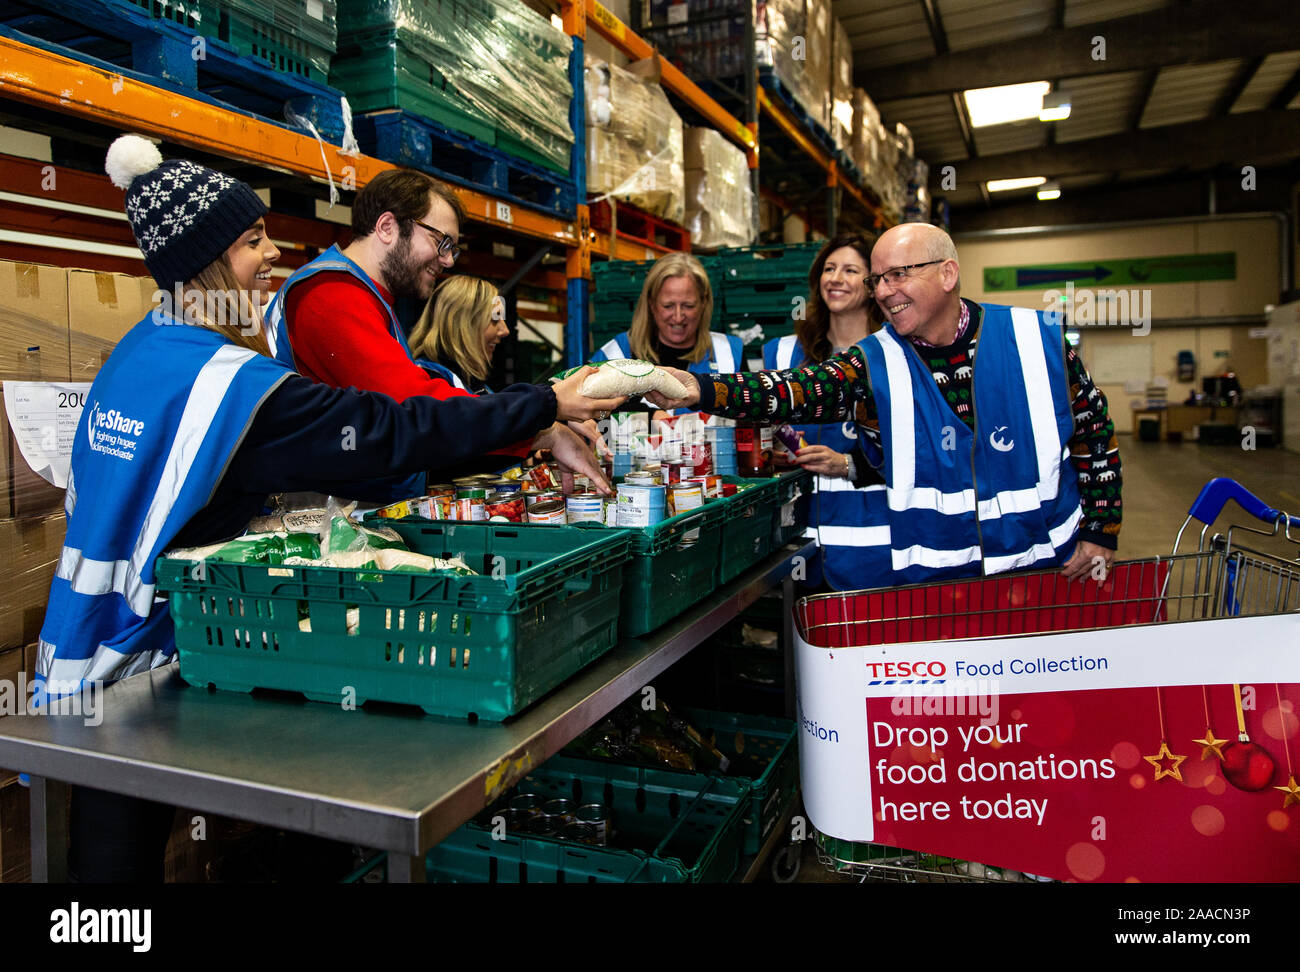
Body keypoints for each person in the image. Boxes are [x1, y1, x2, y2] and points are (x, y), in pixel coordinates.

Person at [35, 135, 624, 882]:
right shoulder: (223, 385)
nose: (275, 254)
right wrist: (542, 405)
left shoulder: (143, 353)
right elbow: (384, 431)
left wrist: (529, 430)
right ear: (204, 262)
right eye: (254, 242)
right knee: (115, 874)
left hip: (92, 646)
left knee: (112, 862)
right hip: (129, 664)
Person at [649, 222, 1121, 584]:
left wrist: (1101, 532)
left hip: (1048, 570)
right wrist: (700, 389)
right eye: (878, 279)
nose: (883, 291)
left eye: (899, 275)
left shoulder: (1038, 339)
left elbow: (1095, 436)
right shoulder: (877, 361)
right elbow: (796, 390)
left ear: (947, 273)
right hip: (939, 586)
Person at [265, 169, 595, 495]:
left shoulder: (367, 297)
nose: (448, 260)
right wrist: (545, 406)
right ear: (387, 227)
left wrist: (541, 426)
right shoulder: (331, 294)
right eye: (441, 242)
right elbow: (419, 414)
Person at [762, 234, 891, 591]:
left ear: (872, 285)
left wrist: (849, 464)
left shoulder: (895, 354)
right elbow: (763, 425)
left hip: (874, 538)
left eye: (851, 270)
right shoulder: (783, 354)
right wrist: (771, 454)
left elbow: (919, 450)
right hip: (800, 536)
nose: (836, 278)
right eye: (829, 268)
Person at [591, 252, 745, 413]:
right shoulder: (616, 353)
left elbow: (752, 420)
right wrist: (649, 418)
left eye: (688, 305)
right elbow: (586, 412)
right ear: (651, 303)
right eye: (668, 306)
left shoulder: (730, 352)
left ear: (704, 303)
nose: (678, 317)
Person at [409, 275, 508, 395]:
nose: (505, 330)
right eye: (494, 319)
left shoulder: (470, 382)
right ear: (462, 324)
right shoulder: (428, 382)